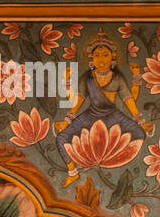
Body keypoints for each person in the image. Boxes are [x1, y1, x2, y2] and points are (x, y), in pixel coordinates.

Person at [54, 31, 153, 187]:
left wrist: (141, 121)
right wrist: (67, 119)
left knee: (140, 133)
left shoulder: (117, 78)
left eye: (105, 55)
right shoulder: (87, 77)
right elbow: (77, 100)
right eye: (97, 55)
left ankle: (113, 159)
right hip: (90, 114)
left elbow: (129, 101)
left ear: (112, 58)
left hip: (113, 115)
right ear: (91, 59)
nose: (101, 59)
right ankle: (72, 172)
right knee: (60, 138)